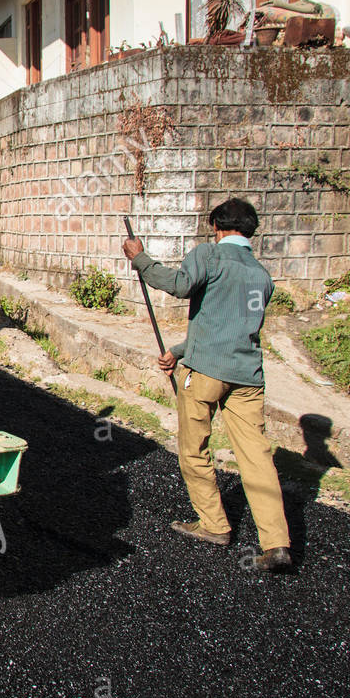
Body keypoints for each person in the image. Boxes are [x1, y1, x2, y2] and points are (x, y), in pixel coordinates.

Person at [121, 198, 292, 573]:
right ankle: (277, 542)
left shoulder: (208, 256)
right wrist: (180, 350)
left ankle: (215, 524)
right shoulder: (262, 276)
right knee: (257, 459)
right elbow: (232, 325)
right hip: (248, 378)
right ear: (250, 231)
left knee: (194, 447)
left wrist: (140, 258)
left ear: (217, 227)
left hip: (206, 374)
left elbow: (179, 286)